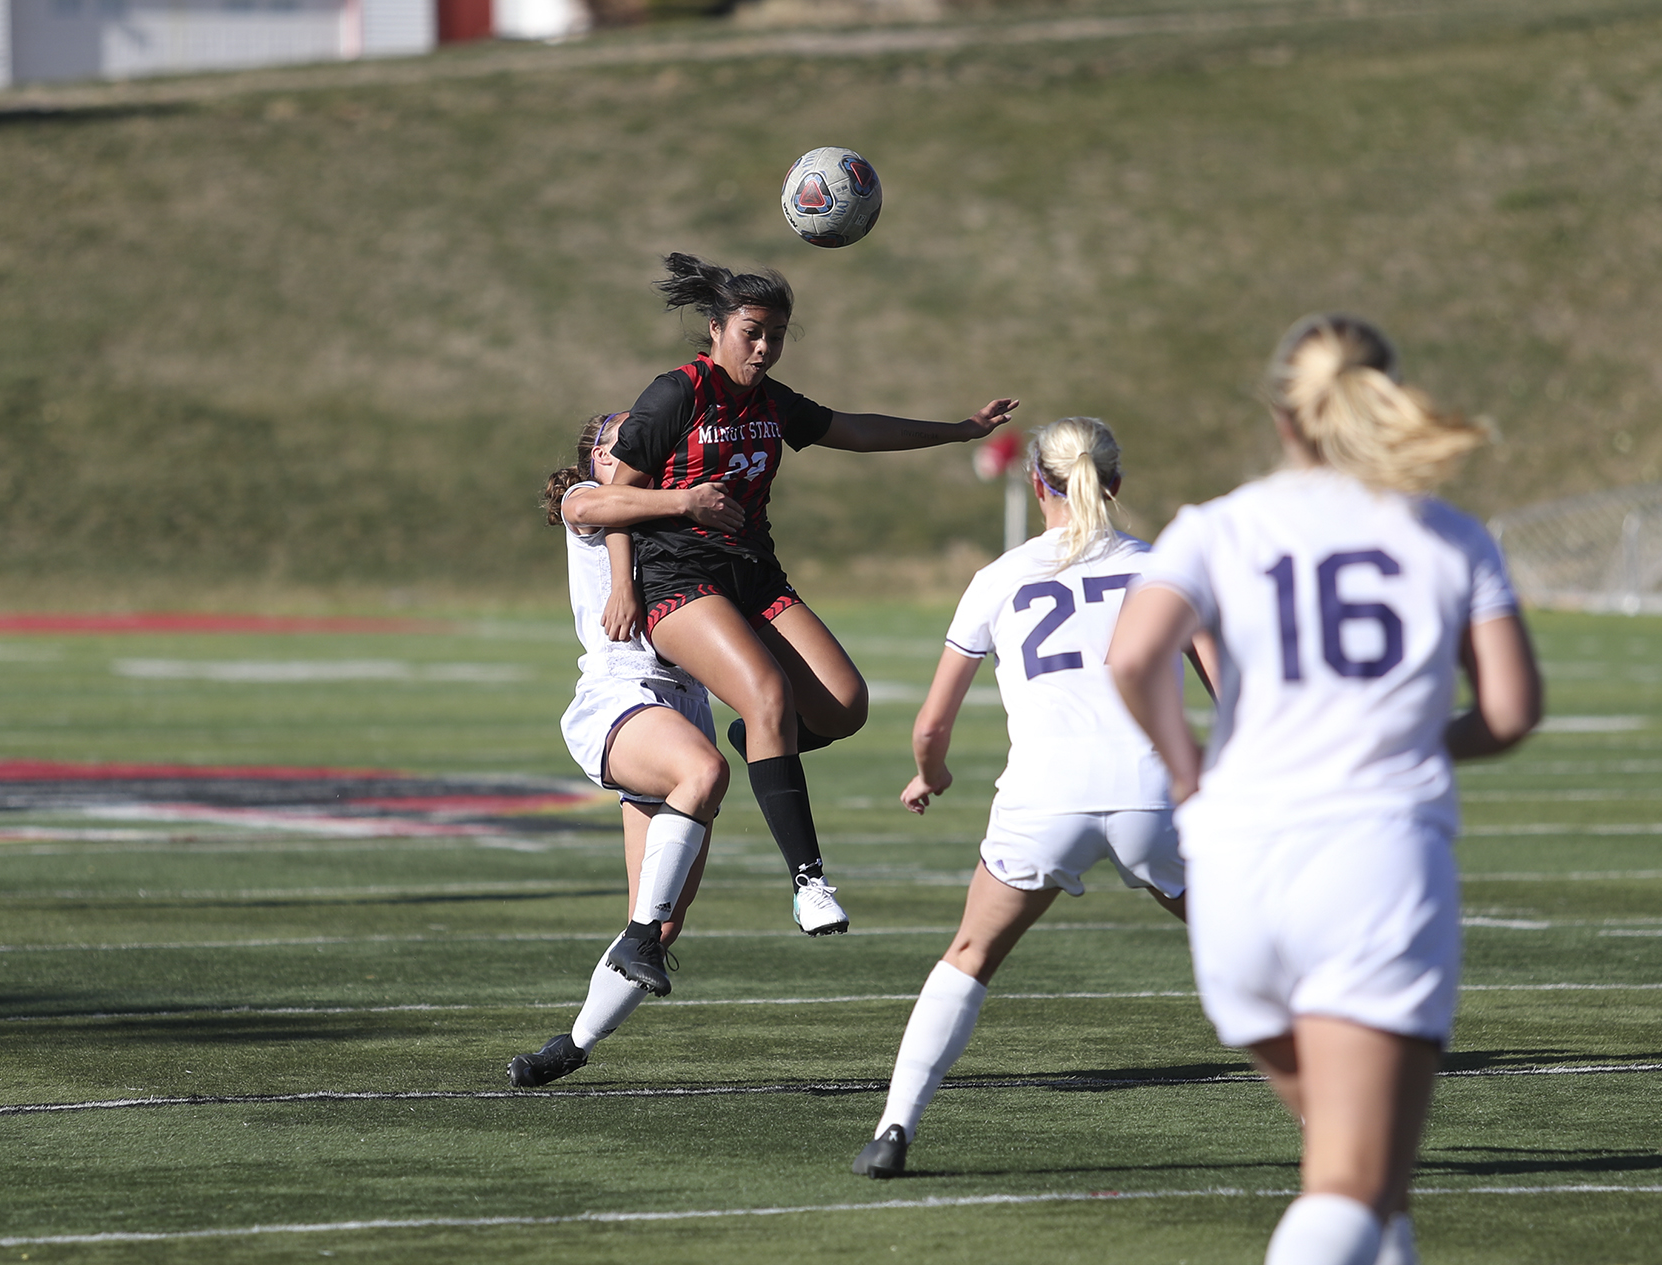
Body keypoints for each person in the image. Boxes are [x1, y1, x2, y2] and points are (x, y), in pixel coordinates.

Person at [1107, 315, 1542, 1265]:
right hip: (1371, 861)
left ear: (1279, 409)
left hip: (1235, 865)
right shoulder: (1447, 532)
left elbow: (1134, 657)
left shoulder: (1216, 525)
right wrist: (1405, 743)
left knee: (1366, 1195)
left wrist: (1188, 770)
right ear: (1383, 396)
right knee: (1353, 1183)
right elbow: (1510, 712)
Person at [606, 252, 1018, 937]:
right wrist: (631, 574)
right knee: (769, 695)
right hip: (679, 582)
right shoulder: (676, 393)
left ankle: (760, 742)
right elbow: (614, 494)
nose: (765, 348)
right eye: (752, 332)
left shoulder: (772, 402)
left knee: (844, 705)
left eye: (777, 335)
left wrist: (960, 430)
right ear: (716, 328)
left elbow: (853, 430)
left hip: (754, 575)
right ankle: (809, 882)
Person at [851, 417, 1197, 1179]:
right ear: (1117, 484)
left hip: (1044, 798)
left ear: (1037, 483)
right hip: (1152, 791)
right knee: (1245, 945)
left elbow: (931, 723)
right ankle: (1332, 1114)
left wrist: (930, 772)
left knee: (969, 956)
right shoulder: (1168, 569)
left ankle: (894, 1128)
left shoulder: (999, 577)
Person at [507, 411, 738, 1088]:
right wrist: (687, 500)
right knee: (704, 769)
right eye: (616, 444)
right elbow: (610, 510)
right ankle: (636, 939)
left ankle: (571, 1043)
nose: (633, 449)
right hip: (620, 697)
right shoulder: (587, 501)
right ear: (592, 462)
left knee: (663, 922)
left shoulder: (674, 518)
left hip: (685, 702)